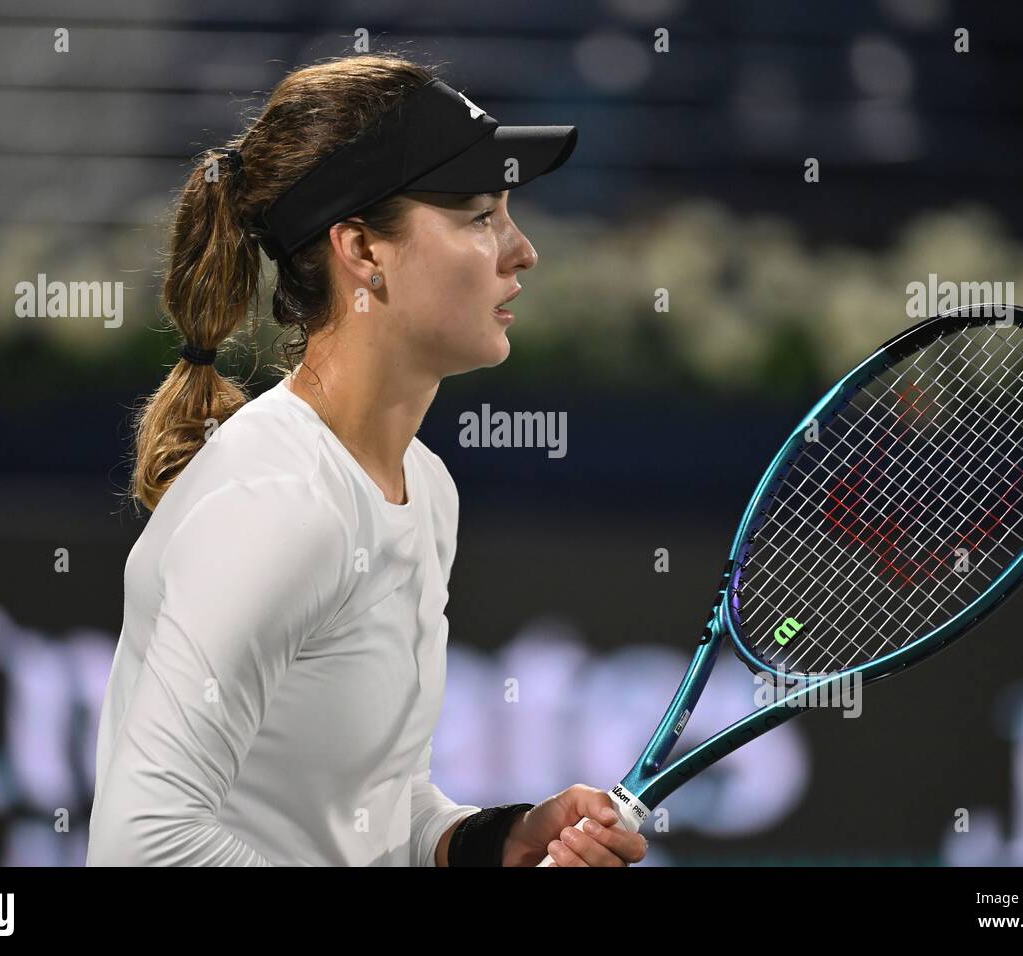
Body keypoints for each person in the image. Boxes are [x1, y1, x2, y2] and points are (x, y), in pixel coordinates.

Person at [86, 53, 648, 867]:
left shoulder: (423, 486)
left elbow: (369, 811)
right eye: (480, 216)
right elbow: (142, 847)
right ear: (362, 250)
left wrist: (488, 843)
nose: (521, 251)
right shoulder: (280, 505)